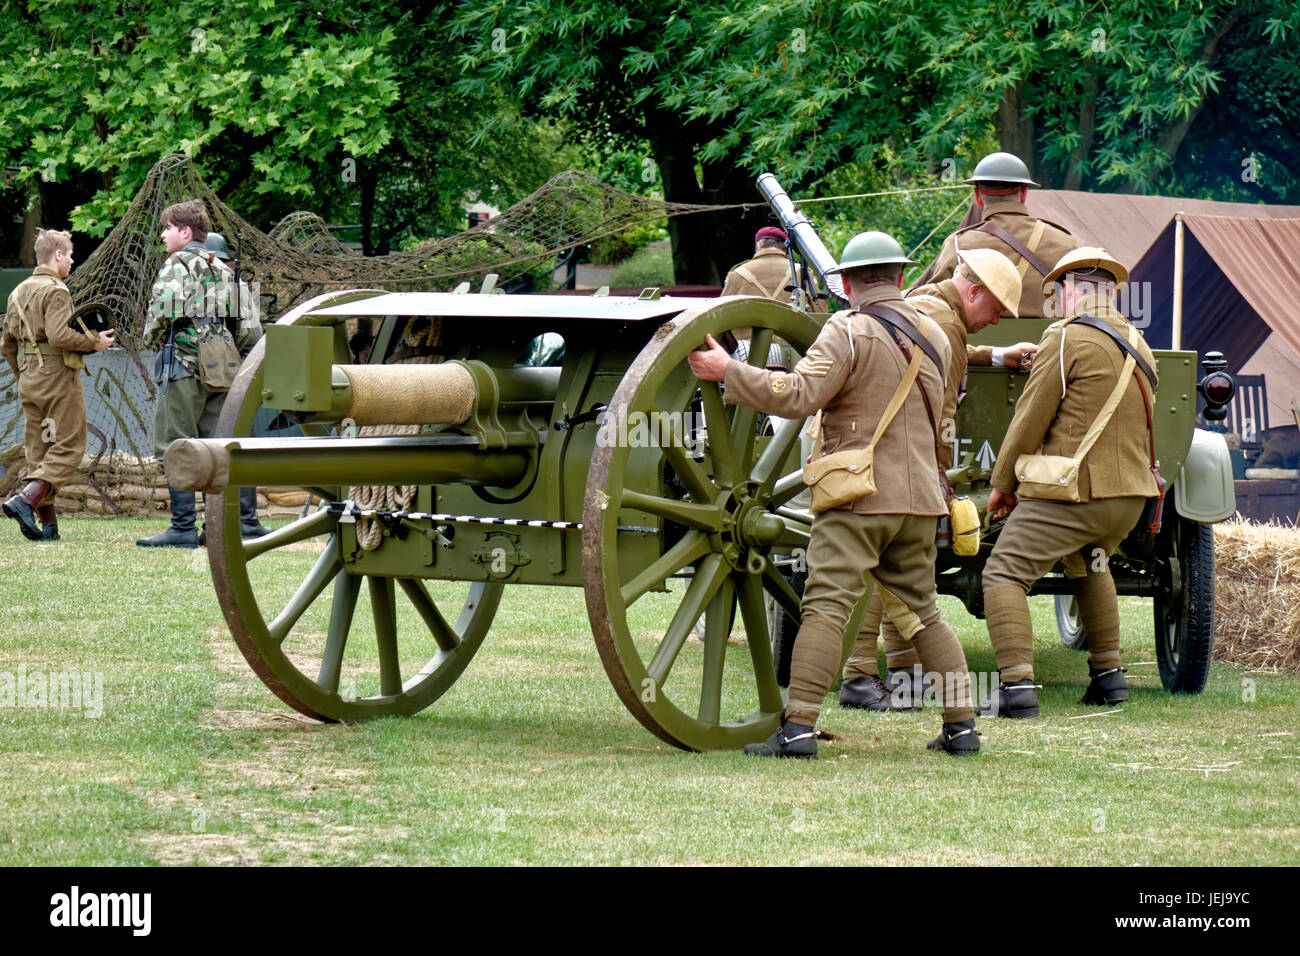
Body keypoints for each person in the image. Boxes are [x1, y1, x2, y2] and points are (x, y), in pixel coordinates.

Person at [689, 231, 980, 757]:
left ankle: (797, 728)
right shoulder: (938, 337)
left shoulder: (846, 331)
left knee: (825, 608)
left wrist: (729, 370)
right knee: (925, 613)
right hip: (921, 500)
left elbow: (798, 394)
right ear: (899, 277)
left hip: (858, 496)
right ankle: (962, 726)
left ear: (846, 283)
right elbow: (943, 421)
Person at [980, 248, 1161, 717]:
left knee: (1003, 573)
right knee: (1091, 565)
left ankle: (1016, 690)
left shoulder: (1065, 338)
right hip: (1127, 500)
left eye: (1057, 292)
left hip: (1074, 494)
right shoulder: (1139, 344)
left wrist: (1003, 484)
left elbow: (1029, 420)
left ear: (1072, 289)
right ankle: (1109, 676)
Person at [840, 247, 1023, 710]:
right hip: (897, 461)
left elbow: (951, 348)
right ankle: (859, 675)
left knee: (895, 566)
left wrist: (997, 356)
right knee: (883, 566)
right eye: (996, 309)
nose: (998, 320)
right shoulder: (940, 322)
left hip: (878, 455)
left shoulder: (934, 310)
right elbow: (938, 414)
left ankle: (902, 672)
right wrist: (938, 473)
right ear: (973, 291)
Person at [136, 203, 266, 548]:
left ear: (185, 232)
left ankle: (181, 527)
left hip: (182, 363)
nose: (163, 235)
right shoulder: (225, 270)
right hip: (223, 367)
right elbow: (251, 333)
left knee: (177, 443)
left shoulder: (176, 264)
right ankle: (236, 524)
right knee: (221, 446)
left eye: (167, 228)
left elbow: (161, 310)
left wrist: (151, 337)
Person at [2, 229, 113, 541]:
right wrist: (95, 342)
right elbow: (60, 336)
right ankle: (25, 500)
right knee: (70, 444)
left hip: (29, 379)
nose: (73, 261)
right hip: (56, 376)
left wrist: (24, 375)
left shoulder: (17, 292)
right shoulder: (56, 290)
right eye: (71, 254)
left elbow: (6, 345)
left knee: (41, 448)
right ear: (58, 256)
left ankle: (49, 528)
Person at [916, 151, 1078, 321]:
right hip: (1049, 346)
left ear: (977, 196)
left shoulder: (958, 244)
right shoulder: (1064, 242)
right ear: (1023, 193)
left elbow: (935, 306)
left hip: (973, 346)